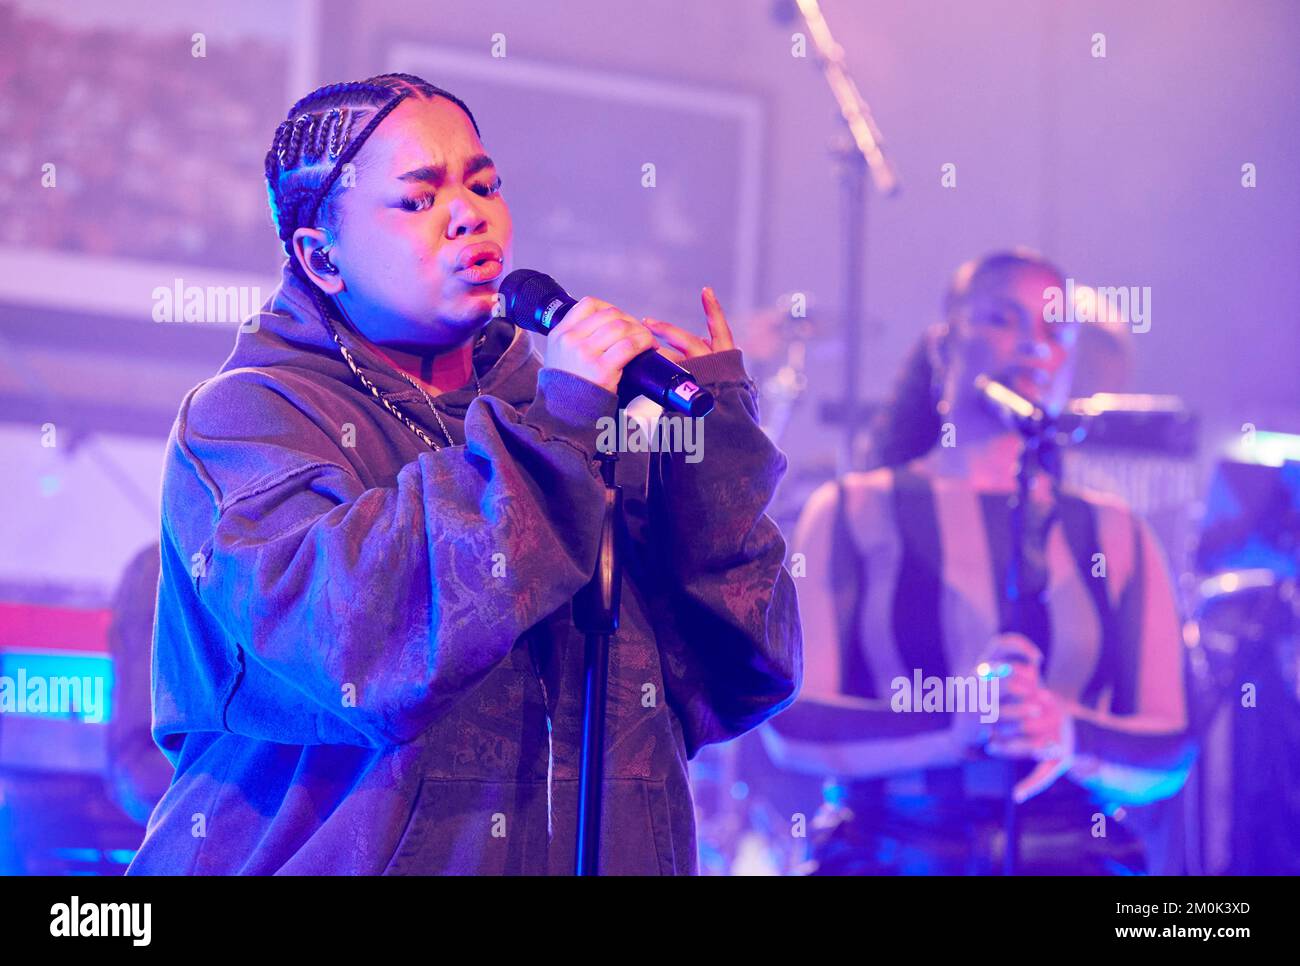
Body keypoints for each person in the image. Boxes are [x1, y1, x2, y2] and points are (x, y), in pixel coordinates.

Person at [126, 73, 800, 875]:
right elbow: (365, 650)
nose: (470, 213)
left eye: (484, 184)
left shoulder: (570, 423)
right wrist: (556, 435)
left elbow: (740, 681)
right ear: (322, 257)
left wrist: (712, 457)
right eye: (417, 200)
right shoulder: (248, 421)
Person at [764, 250, 1194, 874]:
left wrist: (1063, 732)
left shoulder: (1118, 533)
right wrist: (957, 724)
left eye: (1054, 332)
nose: (1032, 347)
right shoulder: (852, 510)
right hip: (891, 854)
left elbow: (1167, 752)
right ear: (945, 347)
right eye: (1001, 320)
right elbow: (791, 725)